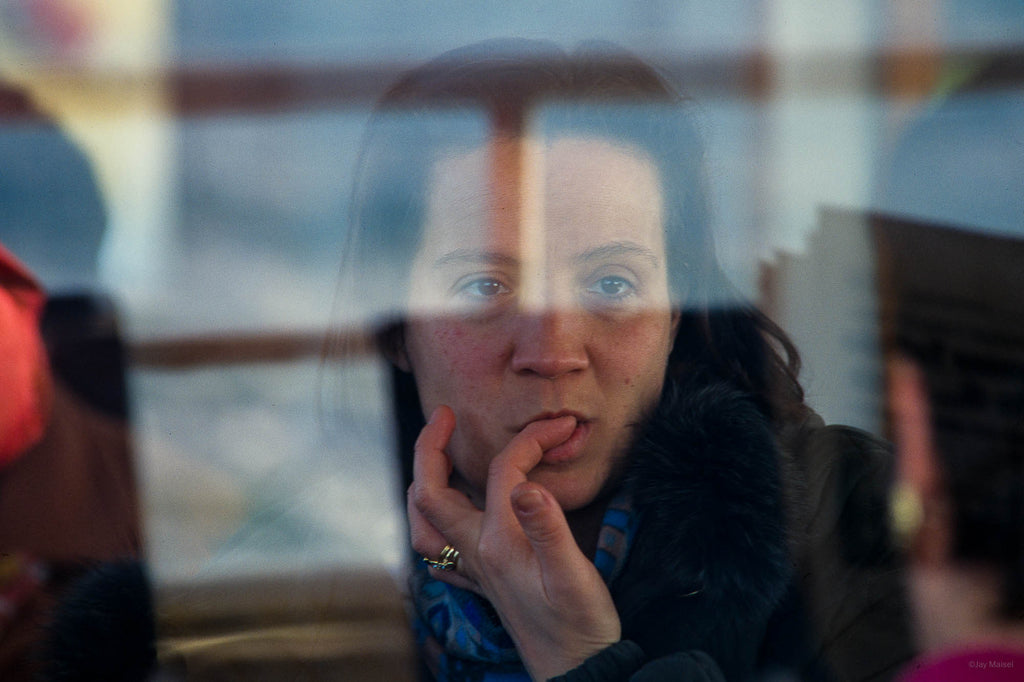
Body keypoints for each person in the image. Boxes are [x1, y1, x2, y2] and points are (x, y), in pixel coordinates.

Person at [334, 39, 915, 681]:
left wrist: (581, 660)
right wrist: (454, 563)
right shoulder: (311, 569)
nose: (553, 353)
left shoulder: (859, 532)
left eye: (612, 284)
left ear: (676, 310)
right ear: (395, 328)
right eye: (484, 287)